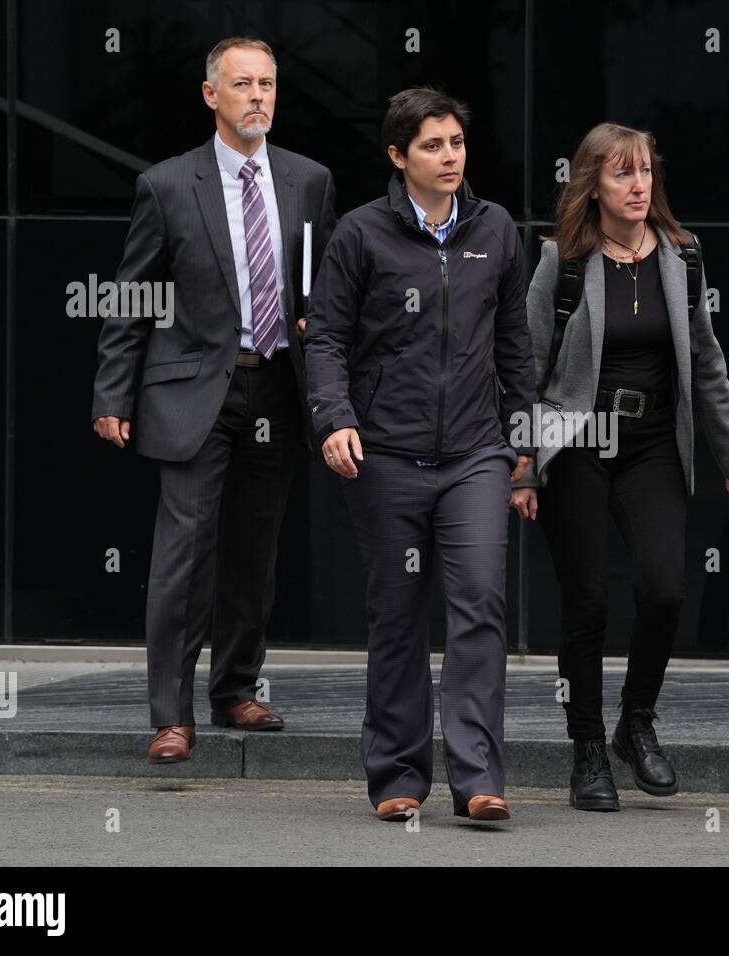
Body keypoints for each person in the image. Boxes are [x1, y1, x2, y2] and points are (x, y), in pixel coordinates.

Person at [91, 37, 337, 763]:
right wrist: (113, 389)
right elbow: (131, 297)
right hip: (195, 390)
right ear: (211, 96)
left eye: (267, 84)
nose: (258, 96)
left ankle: (235, 689)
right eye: (242, 85)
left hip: (278, 387)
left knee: (254, 554)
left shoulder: (310, 180)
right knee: (183, 557)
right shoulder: (167, 185)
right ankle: (171, 713)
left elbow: (323, 285)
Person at [304, 87, 537, 823]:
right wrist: (335, 419)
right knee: (397, 615)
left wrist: (521, 432)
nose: (449, 156)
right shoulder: (361, 235)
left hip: (474, 453)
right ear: (398, 155)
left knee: (480, 606)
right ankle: (398, 775)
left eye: (457, 143)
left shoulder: (496, 230)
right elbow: (328, 338)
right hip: (388, 457)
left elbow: (515, 344)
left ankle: (478, 780)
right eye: (432, 145)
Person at [511, 123, 729, 812]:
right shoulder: (561, 262)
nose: (639, 184)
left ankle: (635, 722)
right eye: (622, 174)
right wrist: (523, 464)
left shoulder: (683, 256)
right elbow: (527, 367)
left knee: (662, 590)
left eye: (645, 170)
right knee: (586, 601)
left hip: (652, 443)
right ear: (593, 184)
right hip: (578, 440)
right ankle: (587, 749)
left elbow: (707, 362)